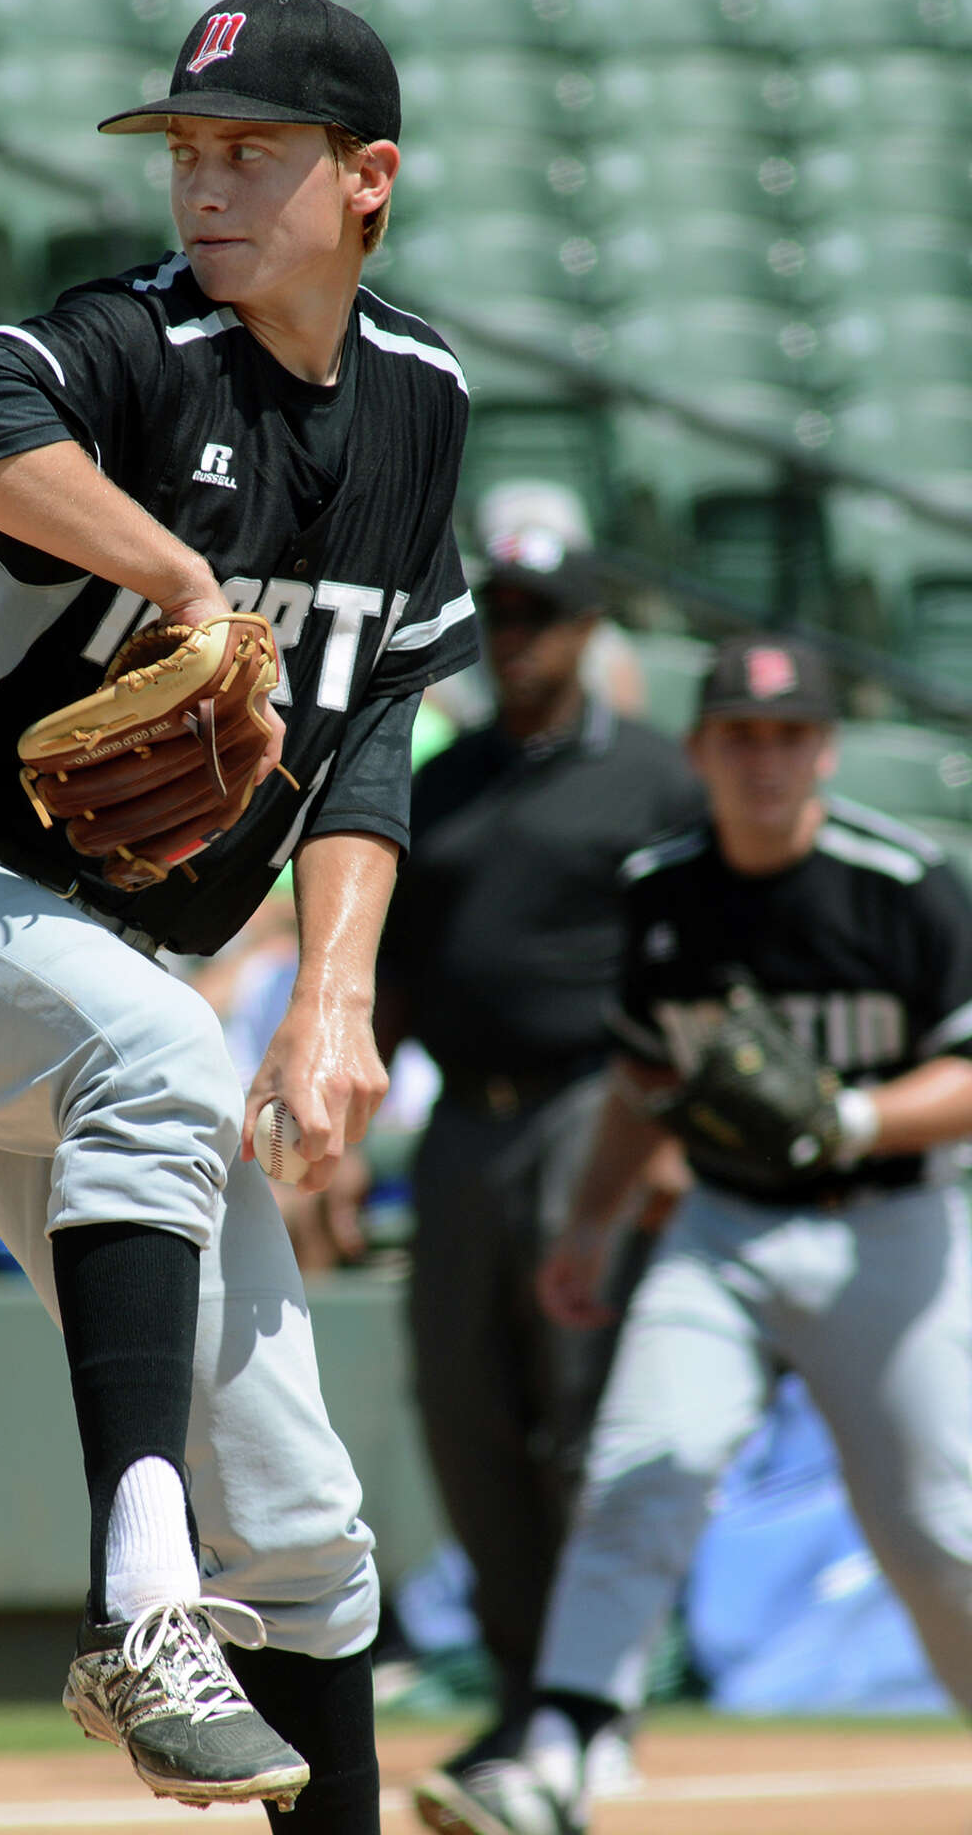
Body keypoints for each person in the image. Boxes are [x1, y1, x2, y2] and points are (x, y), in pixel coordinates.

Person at [0, 0, 479, 1833]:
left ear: (368, 179)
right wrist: (180, 582)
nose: (205, 187)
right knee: (159, 1054)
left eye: (253, 153)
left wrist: (334, 995)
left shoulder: (424, 401)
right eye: (187, 152)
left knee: (303, 1517)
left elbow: (377, 715)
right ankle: (142, 1611)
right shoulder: (140, 344)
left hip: (77, 991)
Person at [445, 632, 972, 1835]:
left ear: (826, 751)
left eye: (789, 736)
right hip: (724, 1228)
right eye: (742, 735)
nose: (764, 759)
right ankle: (562, 1752)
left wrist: (851, 1118)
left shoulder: (901, 882)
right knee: (645, 1466)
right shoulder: (666, 888)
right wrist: (590, 1222)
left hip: (888, 1229)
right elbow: (642, 1083)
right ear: (700, 751)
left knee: (939, 1536)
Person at [372, 525, 700, 1820]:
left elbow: (704, 971)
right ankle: (524, 1700)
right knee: (466, 1411)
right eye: (499, 611)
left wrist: (669, 1140)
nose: (514, 636)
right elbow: (395, 972)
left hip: (595, 1112)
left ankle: (590, 1702)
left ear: (587, 627)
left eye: (539, 613)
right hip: (461, 1123)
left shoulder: (656, 780)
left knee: (582, 1411)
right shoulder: (442, 780)